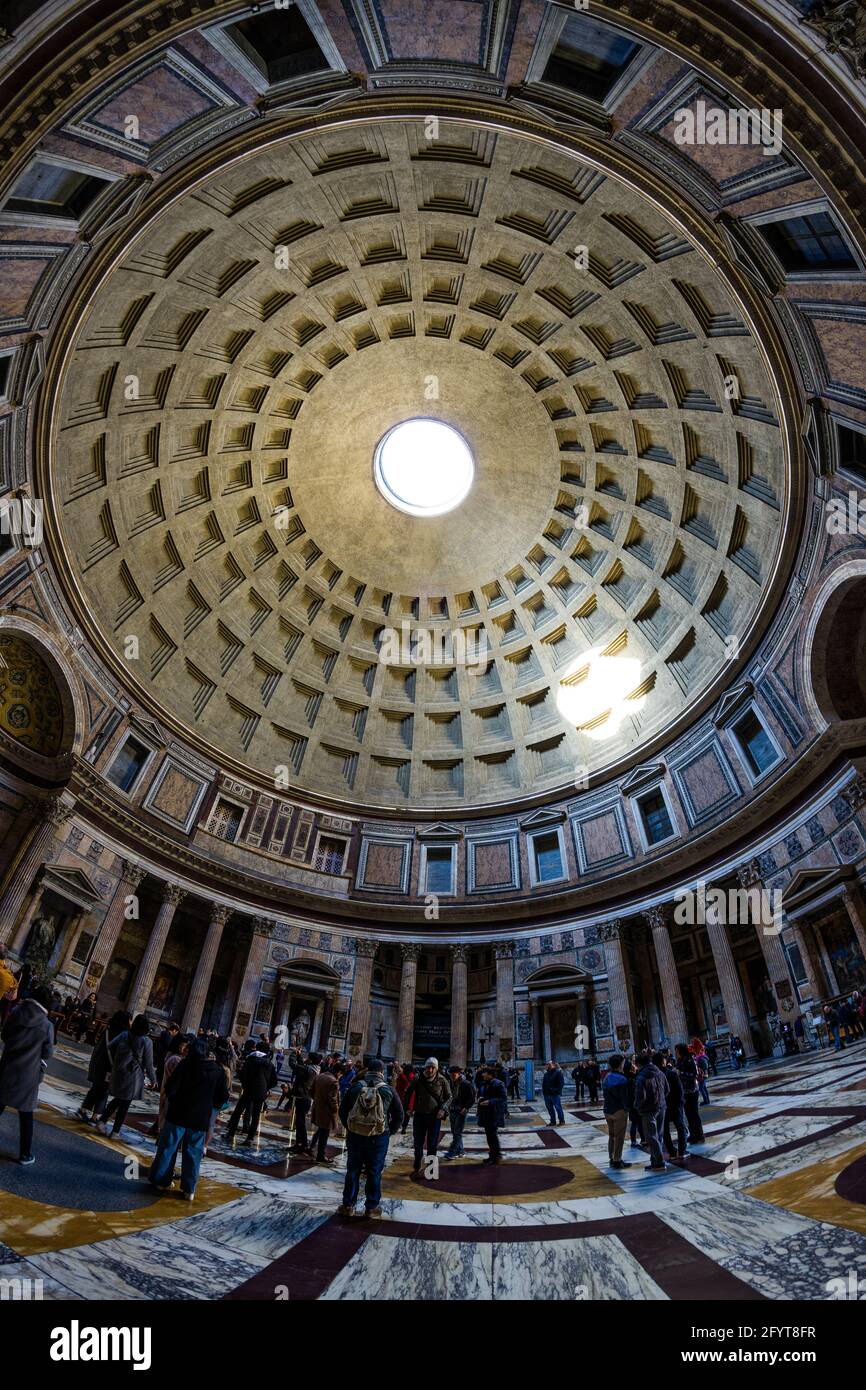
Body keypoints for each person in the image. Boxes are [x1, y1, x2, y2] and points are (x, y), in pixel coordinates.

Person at [148, 1036, 229, 1201]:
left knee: (168, 1148)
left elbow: (170, 1089)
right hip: (199, 1119)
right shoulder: (218, 1070)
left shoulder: (185, 1065)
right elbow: (222, 1097)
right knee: (193, 1153)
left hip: (178, 1114)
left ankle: (160, 1181)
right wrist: (208, 1104)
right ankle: (189, 1189)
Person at [337, 1057, 403, 1219]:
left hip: (356, 1135)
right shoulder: (388, 1090)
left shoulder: (355, 1087)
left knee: (353, 1170)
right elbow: (399, 1115)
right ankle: (371, 1208)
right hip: (378, 1137)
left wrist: (351, 1128)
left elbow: (342, 1111)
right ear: (382, 1072)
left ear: (367, 1070)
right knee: (374, 1171)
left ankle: (348, 1206)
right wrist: (388, 1131)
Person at [0, 984, 54, 1165]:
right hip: (27, 1074)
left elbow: (5, 1034)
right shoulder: (46, 1025)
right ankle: (25, 1154)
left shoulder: (16, 1012)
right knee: (26, 1116)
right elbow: (47, 1053)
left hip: (7, 1067)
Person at [97, 1015, 156, 1137]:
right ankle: (114, 1130)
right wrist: (153, 1079)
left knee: (119, 1099)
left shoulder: (125, 1034)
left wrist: (117, 1060)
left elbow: (110, 1046)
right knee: (124, 1104)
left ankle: (104, 1122)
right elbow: (149, 1063)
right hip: (133, 1075)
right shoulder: (147, 1041)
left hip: (119, 1071)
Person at [77, 1009, 130, 1122]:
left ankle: (83, 1109)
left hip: (99, 1062)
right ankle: (94, 1115)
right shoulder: (123, 1034)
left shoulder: (108, 1028)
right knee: (104, 1091)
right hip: (109, 1066)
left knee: (95, 1087)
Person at [403, 1057, 451, 1175]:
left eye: (432, 1067)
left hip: (435, 1117)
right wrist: (407, 1108)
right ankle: (417, 1162)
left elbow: (449, 1097)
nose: (430, 1070)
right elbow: (408, 1092)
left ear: (436, 1068)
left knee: (432, 1144)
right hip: (419, 1115)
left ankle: (431, 1169)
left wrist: (443, 1109)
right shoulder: (417, 1078)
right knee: (418, 1143)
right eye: (428, 1067)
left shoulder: (442, 1080)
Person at [226, 1040, 279, 1144]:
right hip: (261, 1093)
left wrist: (245, 1085)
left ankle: (231, 1133)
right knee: (256, 1115)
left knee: (238, 1112)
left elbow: (242, 1074)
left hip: (249, 1090)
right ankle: (250, 1138)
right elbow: (274, 1081)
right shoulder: (269, 1064)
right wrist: (266, 1088)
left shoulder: (250, 1060)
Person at [634, 1049, 668, 1172]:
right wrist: (661, 1100)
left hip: (648, 1110)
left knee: (651, 1137)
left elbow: (640, 1097)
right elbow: (667, 1089)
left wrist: (638, 1107)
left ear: (639, 1065)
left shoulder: (641, 1077)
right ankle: (654, 1161)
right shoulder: (659, 1072)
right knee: (658, 1135)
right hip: (661, 1107)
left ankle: (659, 1162)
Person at [601, 1054, 632, 1170]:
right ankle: (617, 1160)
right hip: (619, 1111)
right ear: (620, 1064)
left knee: (612, 1135)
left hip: (607, 1110)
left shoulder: (607, 1077)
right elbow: (624, 1097)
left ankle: (611, 1158)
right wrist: (627, 1109)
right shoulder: (622, 1079)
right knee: (619, 1137)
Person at [659, 1052, 688, 1161]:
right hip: (675, 1105)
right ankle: (682, 1151)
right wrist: (681, 1103)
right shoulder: (671, 1073)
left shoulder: (656, 1075)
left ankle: (671, 1152)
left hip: (663, 1106)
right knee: (680, 1128)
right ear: (663, 1062)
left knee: (665, 1130)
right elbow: (679, 1090)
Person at [310, 1058, 339, 1164]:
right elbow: (333, 1099)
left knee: (320, 1130)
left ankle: (312, 1146)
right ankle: (320, 1155)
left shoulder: (320, 1076)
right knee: (324, 1133)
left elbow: (311, 1091)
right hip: (327, 1112)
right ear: (338, 1072)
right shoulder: (334, 1081)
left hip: (318, 1108)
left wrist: (317, 1101)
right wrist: (336, 1109)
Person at [675, 1041, 704, 1145]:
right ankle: (693, 1134)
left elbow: (694, 1074)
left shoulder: (690, 1059)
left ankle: (699, 1135)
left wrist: (680, 1073)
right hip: (684, 1091)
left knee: (694, 1113)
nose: (676, 1053)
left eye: (677, 1051)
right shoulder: (679, 1060)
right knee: (688, 1114)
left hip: (692, 1090)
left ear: (681, 1050)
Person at [476, 1066, 507, 1163]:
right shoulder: (483, 1083)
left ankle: (496, 1156)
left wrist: (490, 1102)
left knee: (493, 1135)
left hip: (494, 1113)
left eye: (484, 1073)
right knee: (489, 1135)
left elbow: (503, 1099)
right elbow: (481, 1094)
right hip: (485, 1113)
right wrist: (480, 1099)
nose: (482, 1074)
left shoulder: (498, 1084)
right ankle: (492, 1155)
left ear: (490, 1074)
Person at [289, 1049, 318, 1152]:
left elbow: (293, 1065)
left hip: (303, 1098)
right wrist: (299, 1055)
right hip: (305, 1097)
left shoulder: (309, 1070)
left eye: (308, 1058)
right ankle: (300, 1143)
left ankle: (303, 1144)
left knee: (300, 1123)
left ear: (311, 1060)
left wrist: (293, 1053)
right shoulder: (313, 1069)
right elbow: (302, 1065)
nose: (306, 1059)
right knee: (299, 1122)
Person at [443, 1065, 475, 1158]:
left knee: (457, 1132)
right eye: (451, 1074)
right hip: (452, 1110)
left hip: (461, 1111)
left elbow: (472, 1098)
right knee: (455, 1132)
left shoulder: (466, 1084)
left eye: (454, 1074)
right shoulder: (451, 1083)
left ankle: (452, 1152)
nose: (452, 1076)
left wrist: (466, 1108)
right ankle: (460, 1151)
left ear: (459, 1074)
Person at [541, 1060, 565, 1126]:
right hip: (547, 1095)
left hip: (555, 1094)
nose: (547, 1065)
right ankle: (553, 1121)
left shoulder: (558, 1073)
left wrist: (556, 1091)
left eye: (549, 1064)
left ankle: (561, 1120)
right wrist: (544, 1092)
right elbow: (544, 1084)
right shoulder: (546, 1074)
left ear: (553, 1065)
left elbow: (561, 1084)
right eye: (547, 1064)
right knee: (550, 1108)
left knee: (558, 1107)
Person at [690, 1038, 711, 1104]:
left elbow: (705, 1065)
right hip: (702, 1073)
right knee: (703, 1087)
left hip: (702, 1074)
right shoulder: (700, 1054)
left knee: (701, 1088)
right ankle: (707, 1100)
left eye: (693, 1042)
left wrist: (701, 1069)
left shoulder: (701, 1056)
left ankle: (706, 1100)